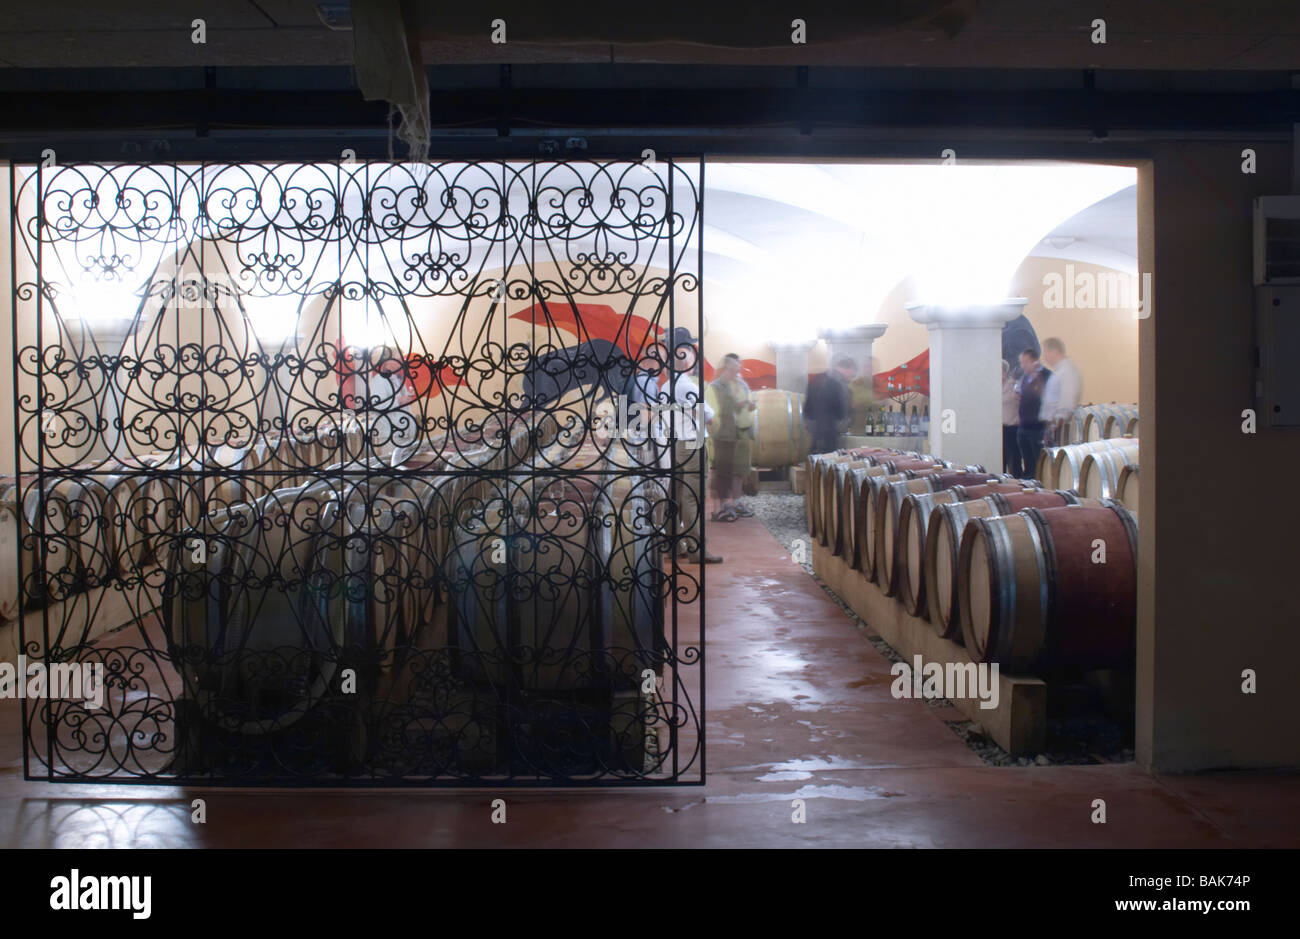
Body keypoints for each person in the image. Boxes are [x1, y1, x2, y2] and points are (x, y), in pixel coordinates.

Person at [648, 326, 720, 565]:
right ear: (681, 353)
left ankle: (672, 544)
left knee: (676, 496)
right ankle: (697, 549)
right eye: (689, 349)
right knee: (692, 499)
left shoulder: (667, 384)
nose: (692, 355)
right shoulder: (686, 385)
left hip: (677, 442)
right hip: (692, 444)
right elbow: (708, 415)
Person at [708, 353, 756, 522]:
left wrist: (748, 405)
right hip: (723, 434)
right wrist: (738, 405)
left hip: (737, 432)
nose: (738, 372)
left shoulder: (740, 384)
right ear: (727, 368)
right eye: (735, 368)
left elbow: (746, 404)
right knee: (720, 472)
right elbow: (717, 410)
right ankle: (718, 509)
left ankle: (732, 504)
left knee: (737, 470)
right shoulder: (716, 386)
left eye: (739, 368)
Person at [804, 355, 856, 454]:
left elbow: (807, 409)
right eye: (852, 372)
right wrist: (841, 430)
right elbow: (844, 412)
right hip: (830, 435)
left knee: (815, 464)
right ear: (847, 368)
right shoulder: (840, 384)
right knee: (828, 465)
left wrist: (812, 430)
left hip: (815, 435)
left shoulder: (816, 379)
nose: (852, 375)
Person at [1015, 348, 1052, 481]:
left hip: (1039, 428)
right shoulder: (1025, 377)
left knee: (1040, 465)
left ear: (1034, 361)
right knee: (1028, 465)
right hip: (1024, 427)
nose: (1022, 366)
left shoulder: (1047, 376)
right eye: (1021, 363)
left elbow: (1050, 400)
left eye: (1025, 362)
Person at [1040, 337, 1082, 446]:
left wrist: (1055, 424)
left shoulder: (1067, 371)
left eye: (1045, 352)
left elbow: (1067, 401)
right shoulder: (1059, 371)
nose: (1043, 356)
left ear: (1054, 352)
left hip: (1059, 428)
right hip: (1052, 426)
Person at [1001, 359, 1020, 477]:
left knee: (1014, 462)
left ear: (1005, 372)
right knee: (1000, 461)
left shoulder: (1014, 386)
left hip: (1012, 428)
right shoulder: (991, 387)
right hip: (999, 429)